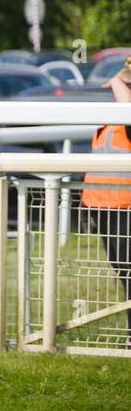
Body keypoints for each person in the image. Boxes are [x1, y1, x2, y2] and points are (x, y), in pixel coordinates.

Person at [81, 58, 131, 338]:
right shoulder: (113, 119)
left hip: (125, 207)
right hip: (106, 208)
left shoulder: (126, 114)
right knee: (125, 275)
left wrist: (118, 84)